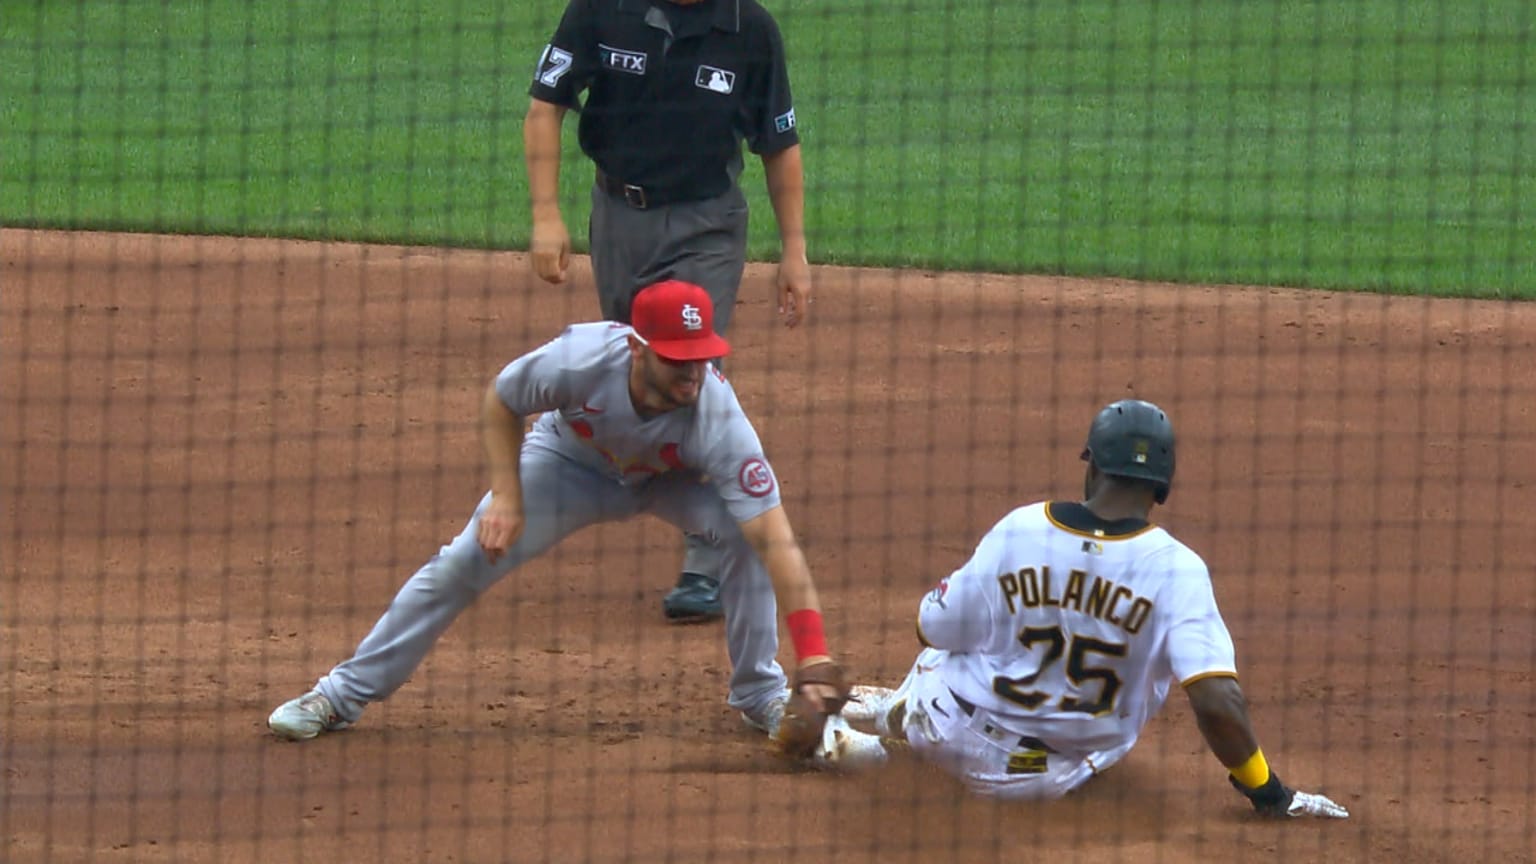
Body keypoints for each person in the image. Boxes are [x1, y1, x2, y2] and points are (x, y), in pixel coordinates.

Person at [267, 281, 847, 748]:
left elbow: (776, 538)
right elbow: (501, 400)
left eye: (701, 361)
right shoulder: (578, 360)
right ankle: (340, 695)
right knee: (466, 560)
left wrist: (815, 653)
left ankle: (758, 694)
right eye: (677, 363)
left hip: (672, 483)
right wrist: (506, 496)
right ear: (637, 349)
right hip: (571, 466)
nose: (693, 377)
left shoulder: (718, 417)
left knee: (744, 539)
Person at [813, 400, 1351, 818]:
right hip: (1044, 779)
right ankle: (879, 731)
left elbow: (932, 628)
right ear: (1160, 487)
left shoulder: (1020, 529)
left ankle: (863, 727)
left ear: (1091, 466)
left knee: (951, 644)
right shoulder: (1178, 570)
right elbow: (1216, 700)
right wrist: (1268, 792)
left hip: (949, 733)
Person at [524, 0, 812, 623]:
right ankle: (633, 478)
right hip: (617, 219)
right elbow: (546, 105)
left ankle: (705, 560)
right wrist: (547, 213)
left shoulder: (749, 29)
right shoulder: (602, 11)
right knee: (637, 370)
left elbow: (779, 144)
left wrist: (794, 251)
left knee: (688, 366)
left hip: (707, 225)